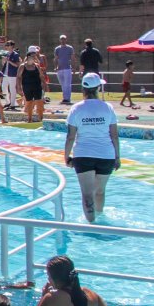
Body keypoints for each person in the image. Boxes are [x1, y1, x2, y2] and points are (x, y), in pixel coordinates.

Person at [64, 73, 121, 223]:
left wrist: (66, 157)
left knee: (87, 194)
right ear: (98, 88)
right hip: (106, 155)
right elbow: (114, 135)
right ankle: (100, 220)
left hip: (83, 155)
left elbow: (70, 136)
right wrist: (117, 157)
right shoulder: (107, 108)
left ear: (83, 88)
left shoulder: (76, 109)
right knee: (100, 191)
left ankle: (91, 225)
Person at [33, 255, 112, 306]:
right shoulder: (91, 294)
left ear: (54, 279)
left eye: (48, 276)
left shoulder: (51, 297)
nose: (48, 279)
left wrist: (43, 296)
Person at [20, 53, 45, 122]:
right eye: (31, 57)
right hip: (27, 86)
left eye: (34, 57)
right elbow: (18, 77)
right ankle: (29, 119)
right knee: (29, 103)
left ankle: (41, 119)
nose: (33, 58)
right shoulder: (22, 66)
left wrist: (45, 84)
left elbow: (41, 75)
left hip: (37, 86)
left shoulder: (37, 66)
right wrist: (18, 87)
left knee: (39, 102)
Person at [53, 35, 76, 105]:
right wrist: (55, 67)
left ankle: (67, 98)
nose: (63, 40)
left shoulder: (70, 48)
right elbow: (56, 58)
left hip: (67, 68)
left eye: (64, 39)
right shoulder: (57, 49)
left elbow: (72, 58)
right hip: (60, 68)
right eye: (61, 39)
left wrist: (74, 67)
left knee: (67, 84)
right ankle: (65, 98)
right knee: (62, 84)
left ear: (66, 40)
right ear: (60, 40)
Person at [1, 40, 21, 109]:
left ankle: (12, 104)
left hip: (12, 74)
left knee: (12, 89)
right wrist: (4, 61)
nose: (6, 46)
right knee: (3, 87)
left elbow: (17, 65)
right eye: (6, 45)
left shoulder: (15, 54)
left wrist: (8, 61)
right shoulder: (7, 54)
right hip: (6, 74)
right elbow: (5, 64)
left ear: (12, 46)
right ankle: (8, 102)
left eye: (8, 45)